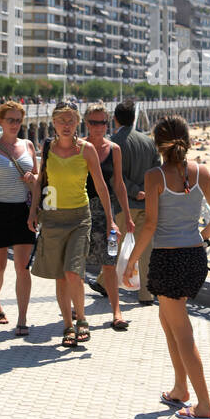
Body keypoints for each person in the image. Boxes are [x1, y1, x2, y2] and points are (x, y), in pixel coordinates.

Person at [122, 116, 210, 419]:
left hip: (168, 258)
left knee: (182, 331)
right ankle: (180, 388)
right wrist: (200, 238)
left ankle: (204, 404)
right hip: (193, 257)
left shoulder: (155, 176)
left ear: (158, 144)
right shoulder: (201, 172)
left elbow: (151, 224)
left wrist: (131, 261)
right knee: (167, 319)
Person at [29, 102, 117, 347]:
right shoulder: (47, 147)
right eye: (61, 121)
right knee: (60, 276)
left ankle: (82, 319)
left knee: (72, 271)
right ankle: (67, 325)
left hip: (80, 217)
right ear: (54, 123)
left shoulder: (86, 149)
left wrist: (111, 220)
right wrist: (33, 211)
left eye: (70, 121)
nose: (66, 126)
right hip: (53, 216)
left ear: (77, 122)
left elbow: (101, 186)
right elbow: (40, 181)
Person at [0, 100, 38, 334]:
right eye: (10, 120)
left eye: (18, 120)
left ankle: (22, 318)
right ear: (0, 121)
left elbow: (37, 178)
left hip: (23, 210)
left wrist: (34, 178)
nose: (15, 124)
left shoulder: (29, 145)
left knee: (23, 268)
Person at [82, 102, 133, 330]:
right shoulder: (78, 148)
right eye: (93, 122)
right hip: (80, 209)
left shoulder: (114, 150)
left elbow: (119, 184)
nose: (98, 126)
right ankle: (77, 308)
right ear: (86, 123)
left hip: (107, 211)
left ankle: (116, 311)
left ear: (108, 122)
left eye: (102, 122)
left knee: (110, 261)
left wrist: (128, 216)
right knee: (77, 260)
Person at [110, 99, 161, 306]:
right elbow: (157, 169)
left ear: (115, 119)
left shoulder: (115, 142)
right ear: (133, 118)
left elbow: (115, 176)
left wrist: (134, 191)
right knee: (144, 248)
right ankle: (146, 294)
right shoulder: (148, 141)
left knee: (117, 245)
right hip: (147, 203)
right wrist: (147, 191)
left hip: (125, 203)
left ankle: (107, 284)